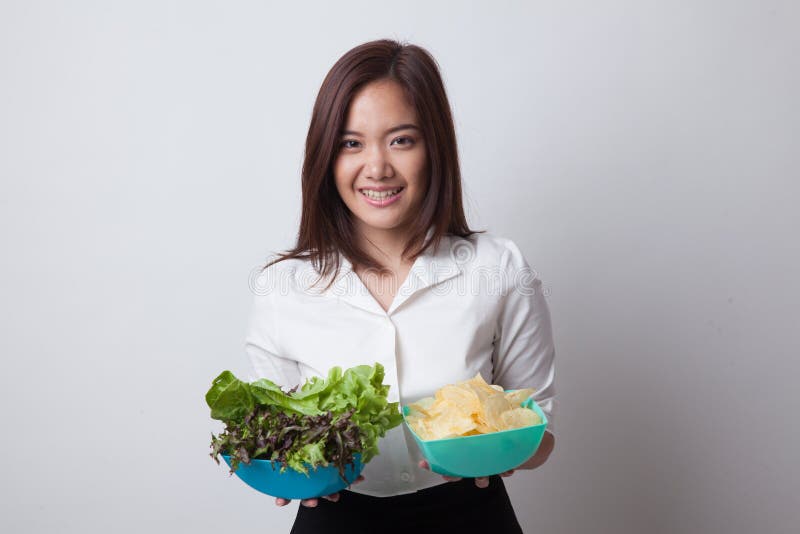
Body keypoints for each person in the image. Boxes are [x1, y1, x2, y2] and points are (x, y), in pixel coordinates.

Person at [243, 38, 557, 534]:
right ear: (326, 156)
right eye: (351, 143)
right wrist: (282, 467)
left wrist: (503, 447)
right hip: (336, 522)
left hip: (471, 517)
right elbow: (272, 435)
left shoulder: (499, 267)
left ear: (434, 147)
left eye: (401, 140)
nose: (377, 167)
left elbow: (541, 436)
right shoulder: (282, 287)